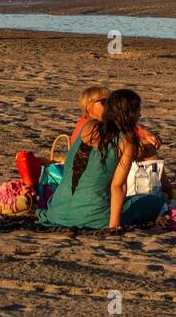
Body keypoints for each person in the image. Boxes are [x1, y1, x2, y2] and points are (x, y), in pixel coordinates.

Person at [37, 88, 165, 230]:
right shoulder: (126, 141)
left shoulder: (86, 126)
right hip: (93, 218)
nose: (140, 114)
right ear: (130, 113)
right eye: (138, 111)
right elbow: (118, 187)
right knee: (154, 202)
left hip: (56, 213)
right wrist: (114, 227)